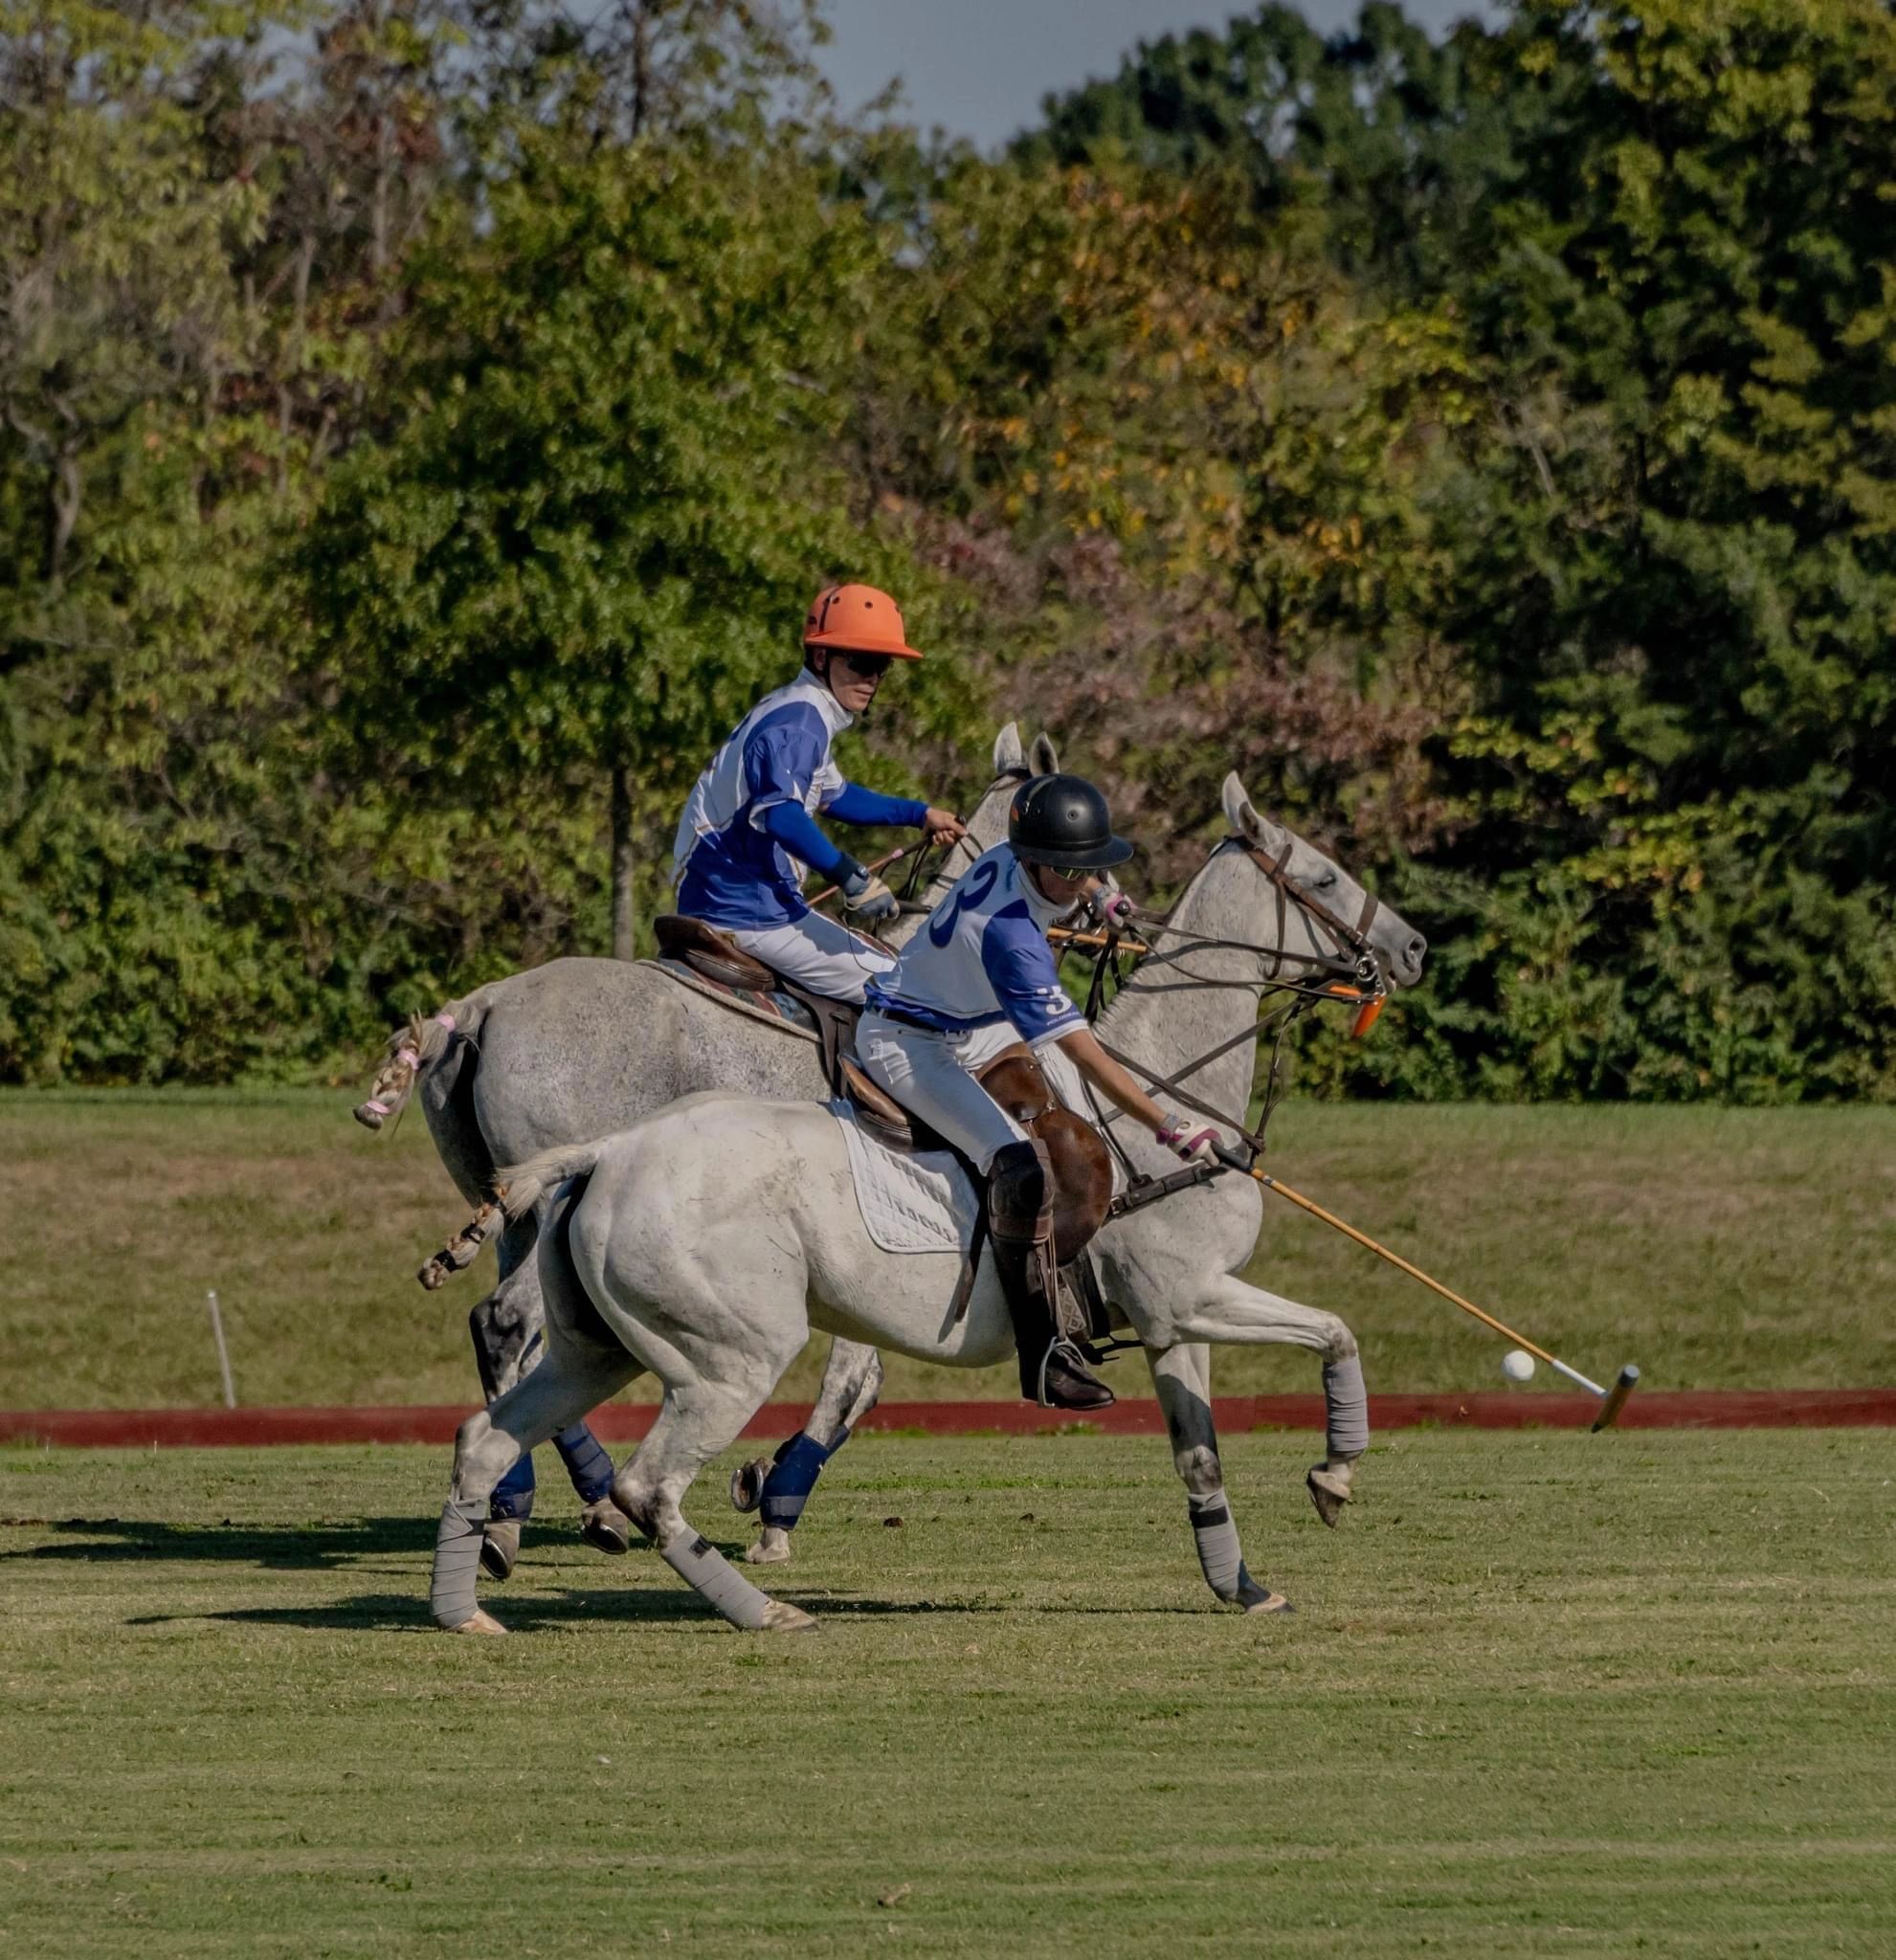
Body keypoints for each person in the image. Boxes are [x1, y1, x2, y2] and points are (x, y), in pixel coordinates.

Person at [857, 773, 1219, 1411]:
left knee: (1072, 1131)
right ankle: (1043, 1354)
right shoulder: (1011, 938)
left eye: (1090, 868)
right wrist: (1170, 1124)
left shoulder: (1012, 851)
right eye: (1071, 872)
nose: (1082, 879)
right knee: (1020, 1168)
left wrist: (1101, 899)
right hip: (912, 1043)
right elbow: (1084, 1049)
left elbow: (1074, 871)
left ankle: (1078, 1291)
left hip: (974, 1020)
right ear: (1036, 863)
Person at [671, 584, 967, 1001]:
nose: (872, 679)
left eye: (882, 666)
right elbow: (783, 816)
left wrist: (920, 814)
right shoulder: (800, 723)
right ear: (822, 656)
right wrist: (851, 877)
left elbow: (836, 797)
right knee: (911, 990)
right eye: (862, 661)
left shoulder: (799, 708)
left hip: (727, 895)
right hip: (746, 908)